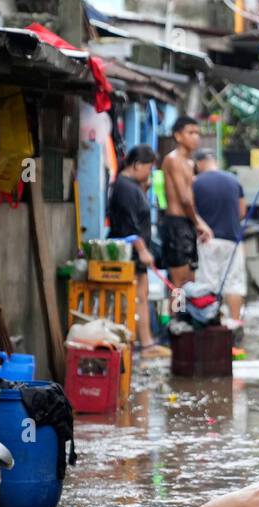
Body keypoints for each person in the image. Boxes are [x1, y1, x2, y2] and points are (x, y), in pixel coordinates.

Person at [106, 144, 171, 358]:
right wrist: (142, 249)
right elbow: (127, 225)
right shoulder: (124, 188)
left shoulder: (132, 185)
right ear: (136, 165)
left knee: (141, 297)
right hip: (128, 254)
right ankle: (135, 345)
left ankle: (147, 344)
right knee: (132, 299)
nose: (150, 173)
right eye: (149, 168)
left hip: (136, 254)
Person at [192, 149, 247, 327]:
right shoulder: (234, 180)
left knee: (208, 284)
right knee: (234, 283)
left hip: (206, 240)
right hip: (232, 239)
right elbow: (242, 211)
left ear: (199, 163)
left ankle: (212, 325)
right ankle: (236, 324)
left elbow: (191, 210)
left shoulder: (196, 182)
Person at [160, 115, 212, 287]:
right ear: (178, 136)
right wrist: (199, 223)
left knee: (190, 279)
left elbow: (191, 199)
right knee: (179, 281)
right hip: (176, 224)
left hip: (187, 223)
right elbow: (184, 199)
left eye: (197, 133)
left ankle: (185, 313)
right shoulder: (173, 159)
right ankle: (176, 314)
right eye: (190, 132)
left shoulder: (190, 163)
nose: (195, 137)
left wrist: (198, 222)